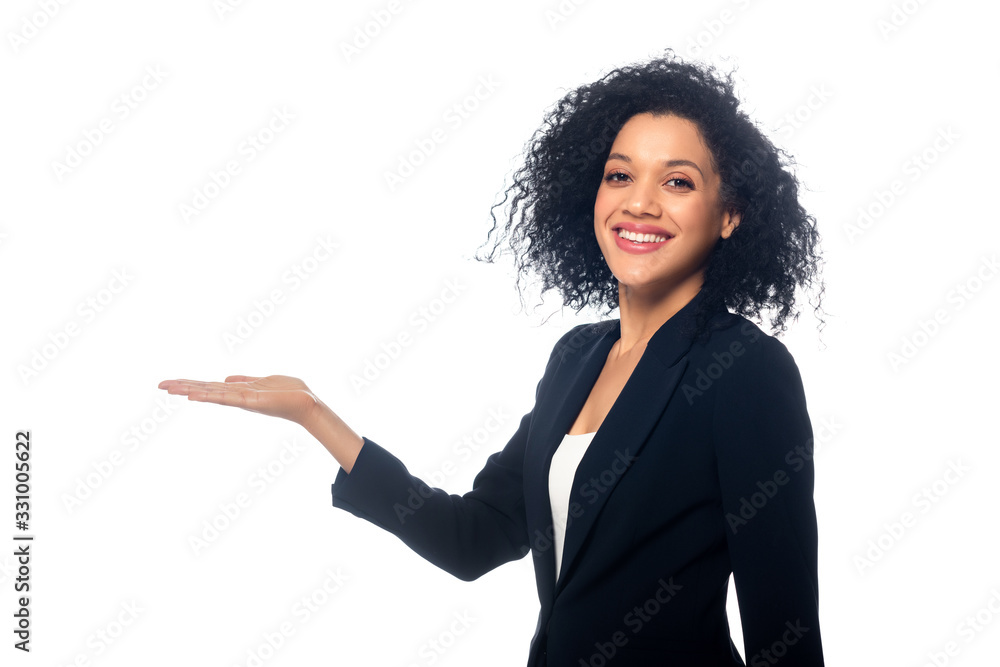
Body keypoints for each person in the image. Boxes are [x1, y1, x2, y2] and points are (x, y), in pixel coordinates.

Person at [159, 50, 826, 666]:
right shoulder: (576, 358)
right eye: (619, 174)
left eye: (677, 180)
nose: (639, 201)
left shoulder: (745, 371)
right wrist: (314, 415)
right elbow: (474, 537)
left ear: (730, 212)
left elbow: (784, 628)